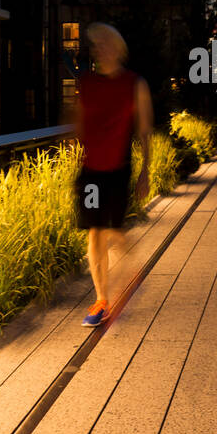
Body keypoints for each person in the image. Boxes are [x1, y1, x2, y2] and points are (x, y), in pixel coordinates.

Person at [71, 23, 154, 327]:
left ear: (118, 49)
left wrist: (146, 169)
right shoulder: (87, 82)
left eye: (105, 44)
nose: (99, 49)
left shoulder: (134, 84)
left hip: (118, 169)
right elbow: (78, 120)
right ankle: (101, 299)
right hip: (91, 170)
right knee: (95, 231)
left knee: (113, 231)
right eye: (96, 45)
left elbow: (144, 129)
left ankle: (129, 256)